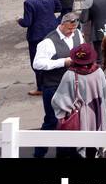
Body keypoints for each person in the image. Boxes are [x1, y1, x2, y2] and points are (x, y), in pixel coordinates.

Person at [31, 12, 85, 158]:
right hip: (53, 87)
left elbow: (81, 49)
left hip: (73, 85)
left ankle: (66, 152)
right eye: (69, 29)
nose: (71, 32)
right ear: (61, 25)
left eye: (74, 29)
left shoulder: (77, 34)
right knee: (52, 120)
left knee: (72, 120)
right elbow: (37, 63)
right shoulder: (48, 42)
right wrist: (63, 62)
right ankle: (39, 153)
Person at [50, 43, 106, 158]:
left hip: (80, 117)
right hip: (96, 115)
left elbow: (58, 101)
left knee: (78, 149)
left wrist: (68, 111)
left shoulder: (70, 75)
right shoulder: (99, 72)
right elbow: (105, 94)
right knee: (93, 146)